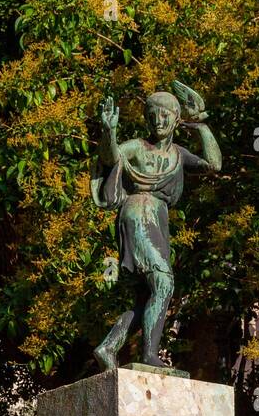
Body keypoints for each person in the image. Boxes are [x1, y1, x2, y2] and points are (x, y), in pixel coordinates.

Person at [90, 80, 222, 370]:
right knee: (163, 282)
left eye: (165, 115)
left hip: (158, 217)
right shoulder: (138, 147)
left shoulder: (178, 153)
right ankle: (149, 356)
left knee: (147, 295)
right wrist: (109, 132)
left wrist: (201, 126)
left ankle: (108, 347)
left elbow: (214, 165)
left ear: (176, 119)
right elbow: (109, 157)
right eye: (152, 115)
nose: (158, 120)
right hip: (139, 210)